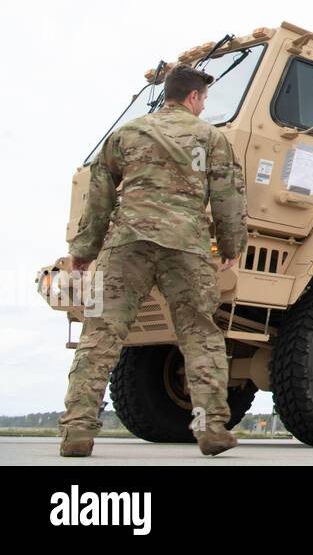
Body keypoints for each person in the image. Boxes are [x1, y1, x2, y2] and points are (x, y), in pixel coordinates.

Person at [58, 64, 248, 457]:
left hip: (127, 243)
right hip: (186, 246)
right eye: (204, 100)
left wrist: (83, 251)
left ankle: (77, 431)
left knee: (100, 334)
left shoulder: (126, 134)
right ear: (194, 97)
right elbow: (228, 197)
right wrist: (232, 246)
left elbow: (99, 198)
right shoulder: (210, 137)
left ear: (167, 94)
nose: (202, 106)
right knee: (199, 333)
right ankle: (211, 428)